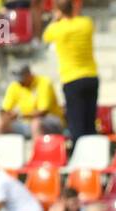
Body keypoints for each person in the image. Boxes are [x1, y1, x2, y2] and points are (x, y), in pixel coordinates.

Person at [43, 0, 99, 141]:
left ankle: (80, 155)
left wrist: (56, 18)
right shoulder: (86, 23)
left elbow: (45, 37)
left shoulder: (57, 28)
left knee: (76, 123)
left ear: (59, 11)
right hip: (91, 76)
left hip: (72, 78)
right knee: (90, 122)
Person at [0, 64, 65, 138]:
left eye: (21, 79)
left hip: (52, 122)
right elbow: (4, 109)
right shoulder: (15, 85)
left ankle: (36, 149)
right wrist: (5, 115)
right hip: (27, 123)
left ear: (29, 75)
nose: (20, 83)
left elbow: (43, 112)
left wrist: (19, 115)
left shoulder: (44, 82)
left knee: (36, 123)